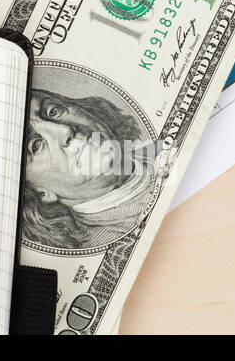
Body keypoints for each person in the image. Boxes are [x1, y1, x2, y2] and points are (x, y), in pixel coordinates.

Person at [19, 85, 157, 251]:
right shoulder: (106, 248)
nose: (65, 130)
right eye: (36, 146)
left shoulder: (172, 147)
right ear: (40, 193)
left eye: (53, 111)